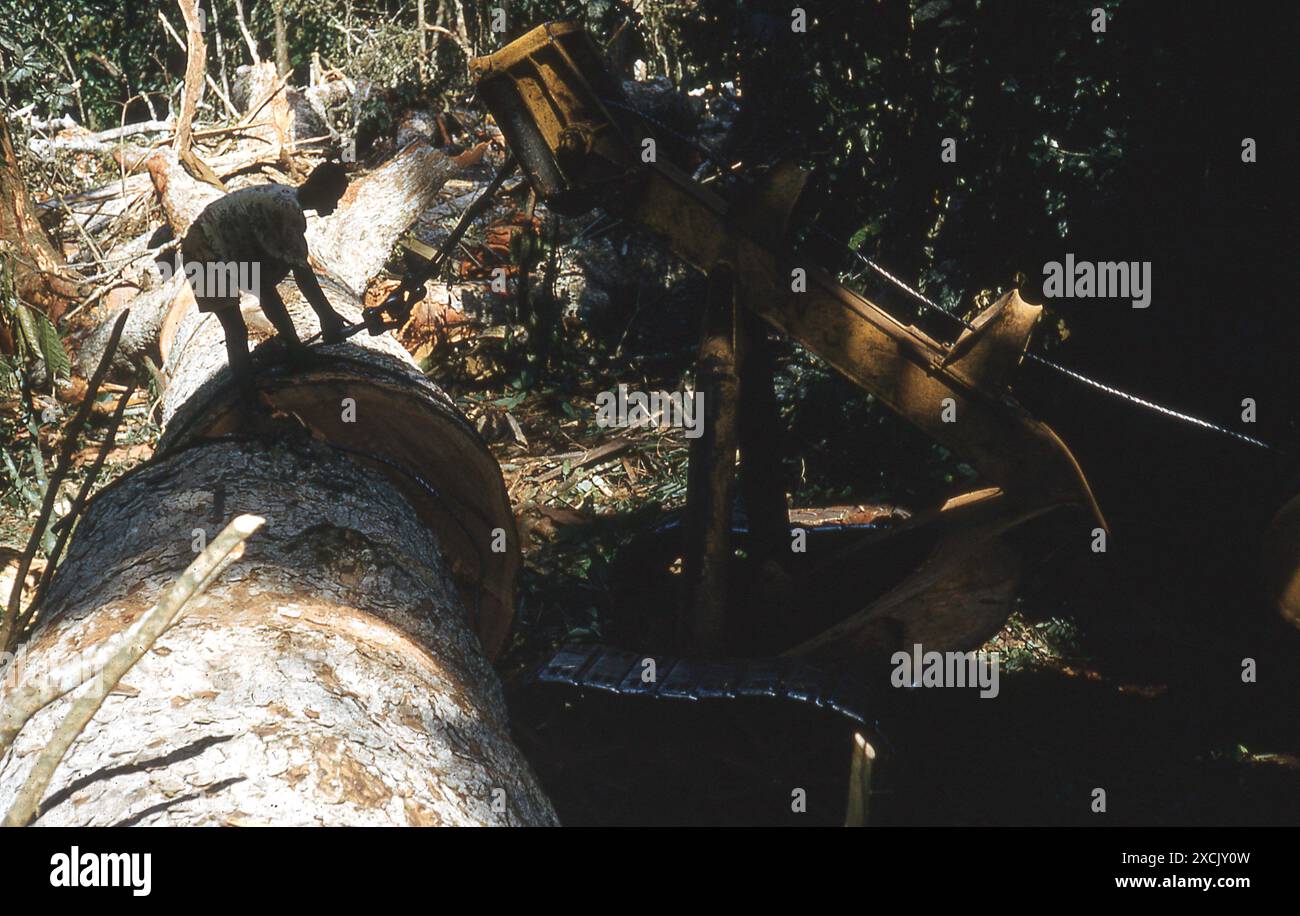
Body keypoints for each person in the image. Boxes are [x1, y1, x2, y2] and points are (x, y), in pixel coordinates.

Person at [179, 162, 351, 390]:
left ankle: (278, 357)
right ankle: (247, 395)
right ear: (322, 190)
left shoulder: (285, 199)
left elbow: (266, 287)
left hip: (225, 247)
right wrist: (326, 317)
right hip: (201, 248)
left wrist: (315, 326)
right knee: (236, 329)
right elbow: (303, 275)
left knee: (266, 283)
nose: (335, 206)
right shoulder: (287, 210)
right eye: (334, 198)